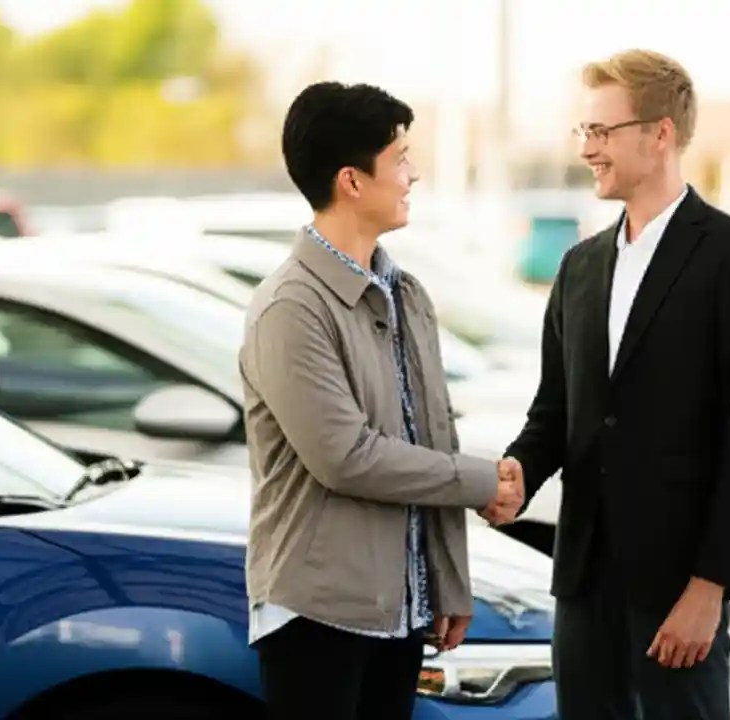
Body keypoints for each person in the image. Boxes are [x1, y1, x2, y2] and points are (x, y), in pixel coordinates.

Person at [492, 49, 730, 719]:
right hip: (584, 581)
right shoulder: (580, 267)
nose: (588, 149)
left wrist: (711, 587)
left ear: (660, 134)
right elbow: (557, 411)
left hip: (679, 583)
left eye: (603, 132)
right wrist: (517, 474)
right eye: (584, 132)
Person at [239, 81, 524, 720]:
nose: (412, 173)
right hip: (318, 614)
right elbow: (347, 457)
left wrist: (447, 580)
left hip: (400, 611)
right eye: (399, 158)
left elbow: (432, 440)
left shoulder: (406, 293)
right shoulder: (292, 307)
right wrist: (482, 482)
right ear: (352, 181)